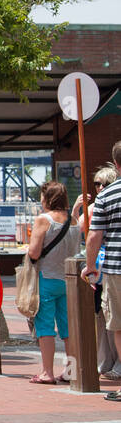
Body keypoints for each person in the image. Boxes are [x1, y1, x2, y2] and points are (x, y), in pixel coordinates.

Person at [25, 180, 80, 384]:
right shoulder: (74, 221)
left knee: (45, 327)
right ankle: (71, 370)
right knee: (68, 328)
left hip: (47, 278)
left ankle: (47, 372)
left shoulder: (44, 219)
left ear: (48, 198)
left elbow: (34, 251)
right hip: (68, 280)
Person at [83, 140, 121, 402]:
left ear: (116, 164)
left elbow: (94, 235)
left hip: (117, 269)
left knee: (119, 325)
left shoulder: (107, 196)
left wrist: (89, 266)